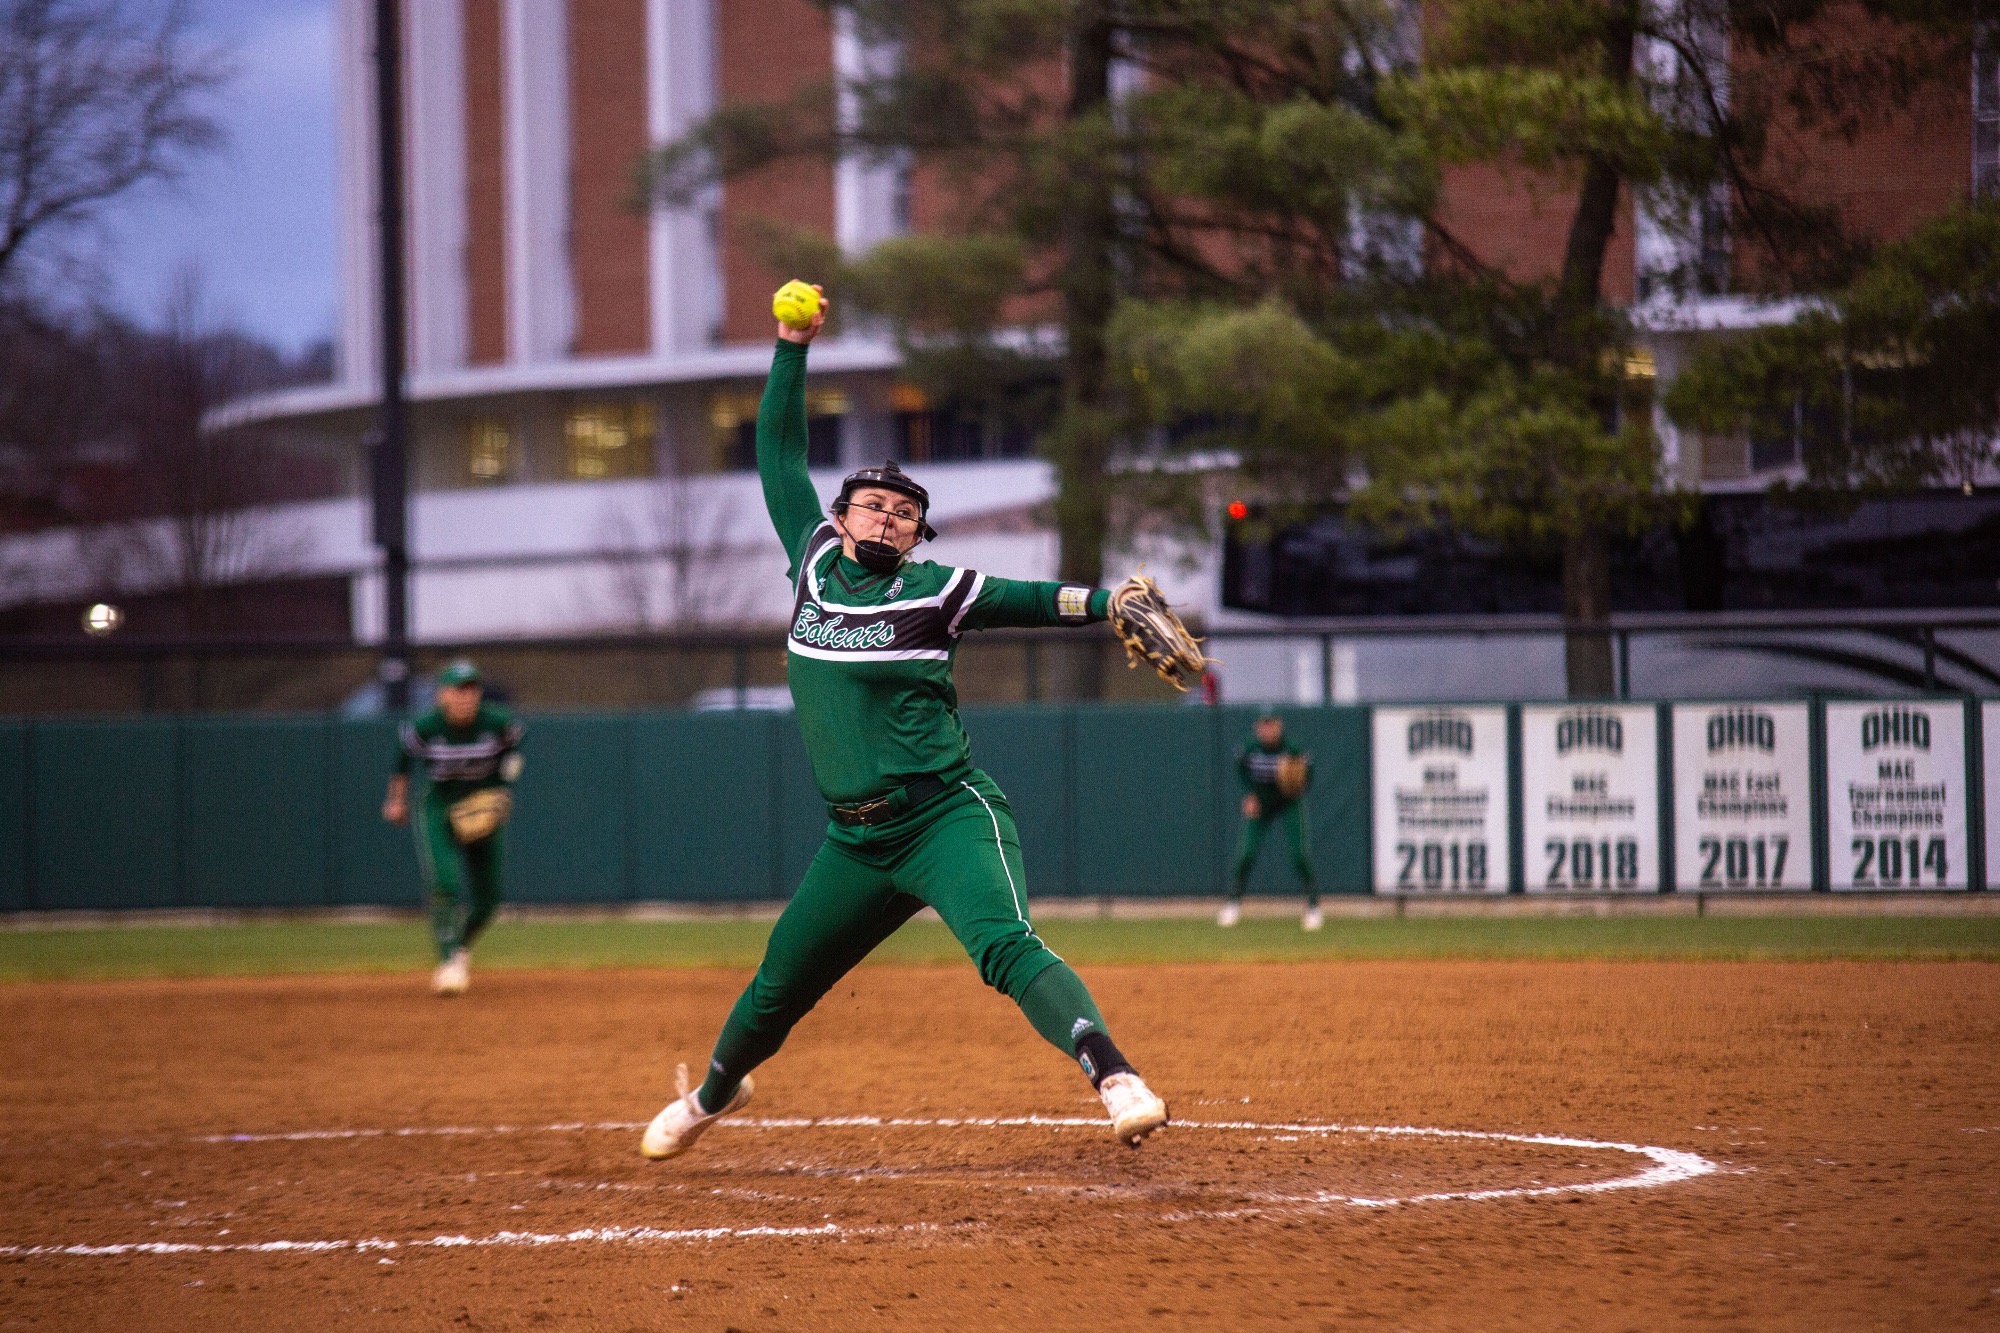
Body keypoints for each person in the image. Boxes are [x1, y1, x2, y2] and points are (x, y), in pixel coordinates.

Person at [640, 285, 1169, 1159]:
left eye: (904, 510)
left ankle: (1115, 1076)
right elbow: (777, 453)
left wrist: (1110, 600)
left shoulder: (938, 589)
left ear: (918, 533)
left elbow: (1037, 598)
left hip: (944, 815)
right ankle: (710, 1095)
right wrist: (789, 346)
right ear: (841, 517)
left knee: (1004, 945)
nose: (886, 514)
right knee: (778, 987)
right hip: (853, 842)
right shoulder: (809, 565)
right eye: (871, 503)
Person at [382, 659, 523, 995]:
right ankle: (448, 963)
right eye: (458, 690)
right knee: (444, 881)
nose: (465, 696)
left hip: (482, 809)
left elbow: (513, 755)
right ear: (442, 695)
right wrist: (396, 801)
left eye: (471, 689)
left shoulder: (499, 722)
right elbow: (402, 764)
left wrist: (503, 789)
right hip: (441, 808)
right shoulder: (425, 727)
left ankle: (459, 948)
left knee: (489, 900)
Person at [1217, 711, 1320, 930]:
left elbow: (1308, 773)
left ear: (1279, 726)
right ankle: (1233, 904)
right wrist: (1250, 794)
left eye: (1271, 725)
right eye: (1264, 725)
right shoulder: (1249, 747)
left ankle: (1313, 907)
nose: (1268, 730)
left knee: (1300, 854)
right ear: (1257, 727)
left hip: (1288, 802)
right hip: (1261, 803)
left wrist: (1300, 785)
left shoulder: (1292, 748)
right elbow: (1241, 768)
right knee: (1246, 853)